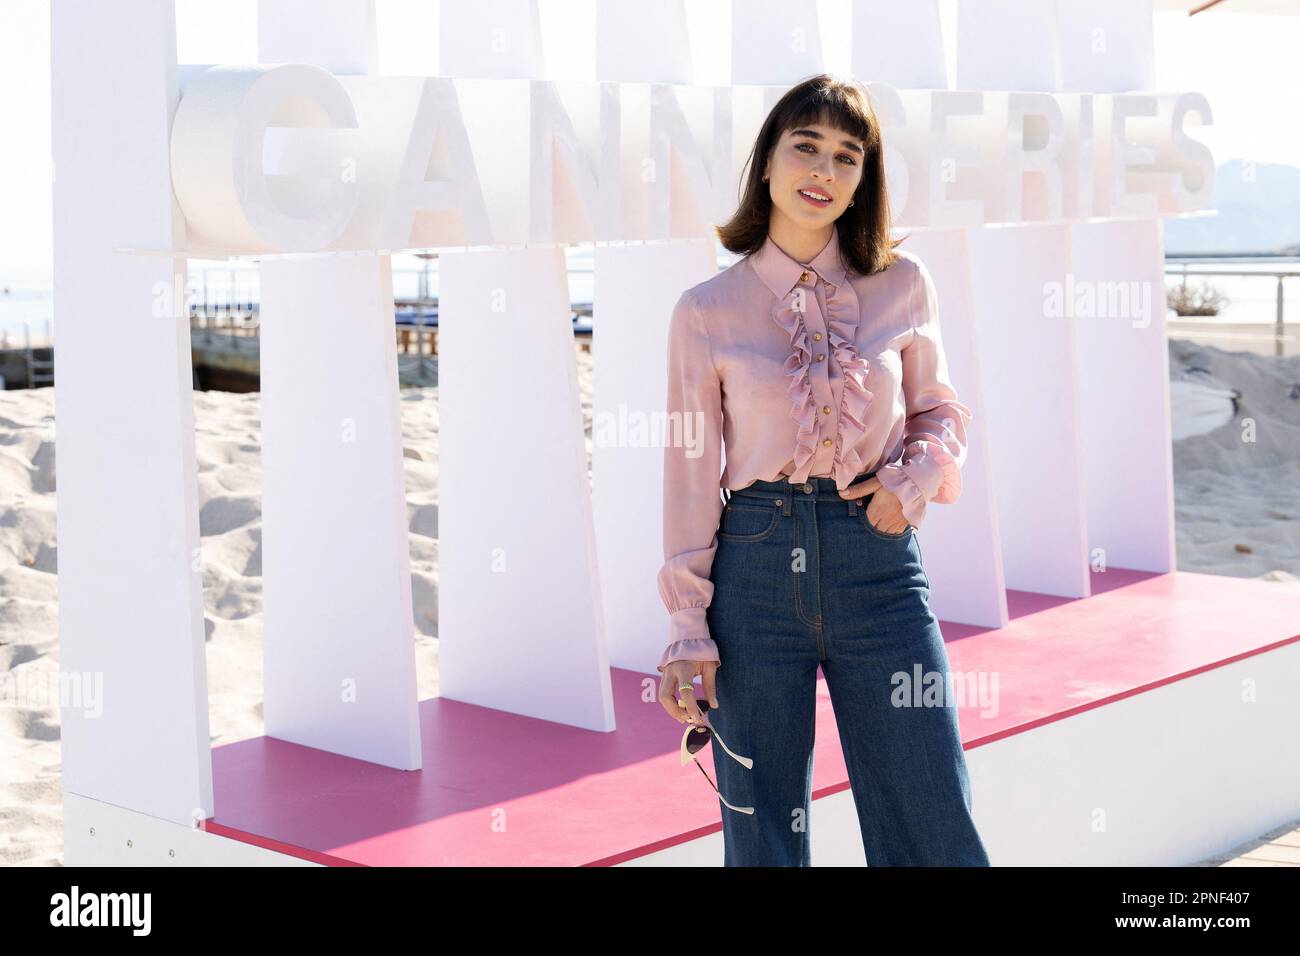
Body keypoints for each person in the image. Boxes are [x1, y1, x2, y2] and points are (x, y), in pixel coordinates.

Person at [654, 73, 990, 866]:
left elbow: (941, 414)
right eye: (806, 146)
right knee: (762, 828)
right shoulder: (704, 311)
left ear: (861, 180)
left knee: (931, 808)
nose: (824, 170)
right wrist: (686, 625)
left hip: (878, 566)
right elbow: (690, 471)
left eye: (848, 156)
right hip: (754, 571)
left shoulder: (903, 283)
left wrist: (908, 488)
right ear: (767, 162)